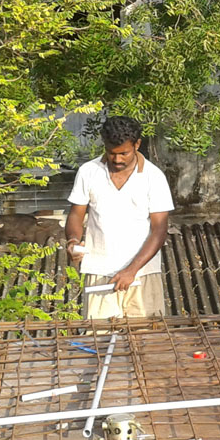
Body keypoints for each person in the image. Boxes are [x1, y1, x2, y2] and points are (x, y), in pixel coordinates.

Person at [66, 116, 174, 319]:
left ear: (137, 145)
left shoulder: (154, 176)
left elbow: (159, 231)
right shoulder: (88, 172)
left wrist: (131, 270)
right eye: (111, 153)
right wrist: (72, 240)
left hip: (143, 273)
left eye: (124, 153)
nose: (117, 160)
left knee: (147, 340)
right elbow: (76, 215)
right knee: (101, 341)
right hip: (99, 271)